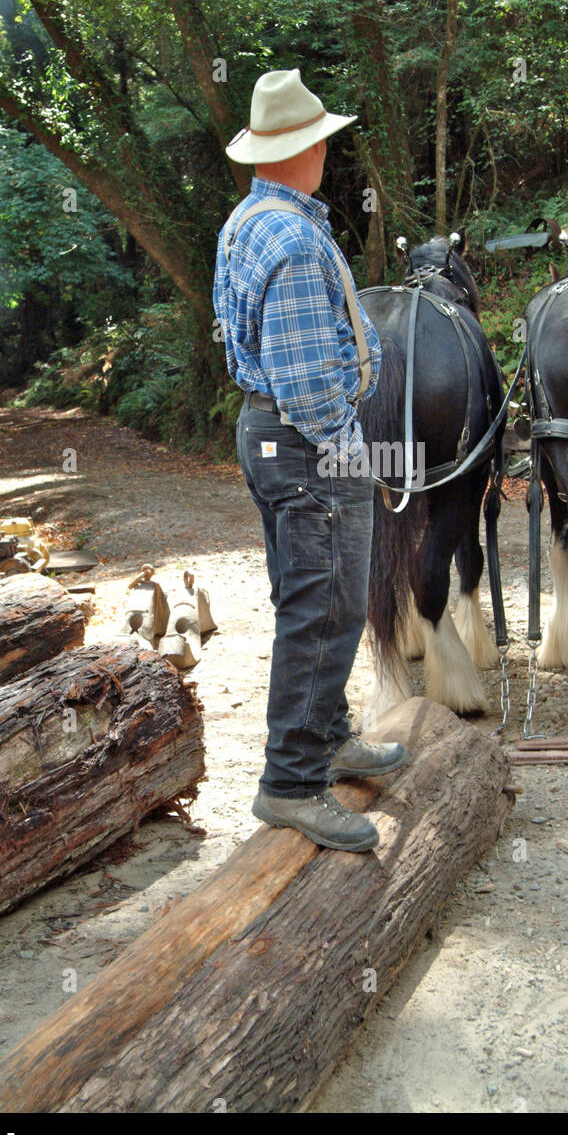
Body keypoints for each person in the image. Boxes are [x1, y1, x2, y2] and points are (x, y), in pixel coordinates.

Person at [214, 68, 410, 852]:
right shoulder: (295, 239)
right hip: (306, 446)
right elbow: (306, 383)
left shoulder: (251, 219)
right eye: (324, 137)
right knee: (325, 611)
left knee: (313, 602)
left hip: (269, 437)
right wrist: (348, 451)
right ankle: (291, 784)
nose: (329, 147)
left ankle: (325, 735)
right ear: (309, 146)